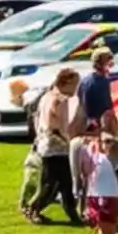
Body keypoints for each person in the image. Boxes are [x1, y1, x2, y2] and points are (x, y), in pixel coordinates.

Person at [26, 69, 81, 224]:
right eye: (74, 84)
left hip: (49, 146)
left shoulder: (47, 96)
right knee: (51, 183)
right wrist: (68, 141)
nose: (76, 88)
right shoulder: (58, 100)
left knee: (65, 183)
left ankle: (72, 213)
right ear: (65, 83)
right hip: (54, 148)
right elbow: (53, 127)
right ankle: (33, 209)